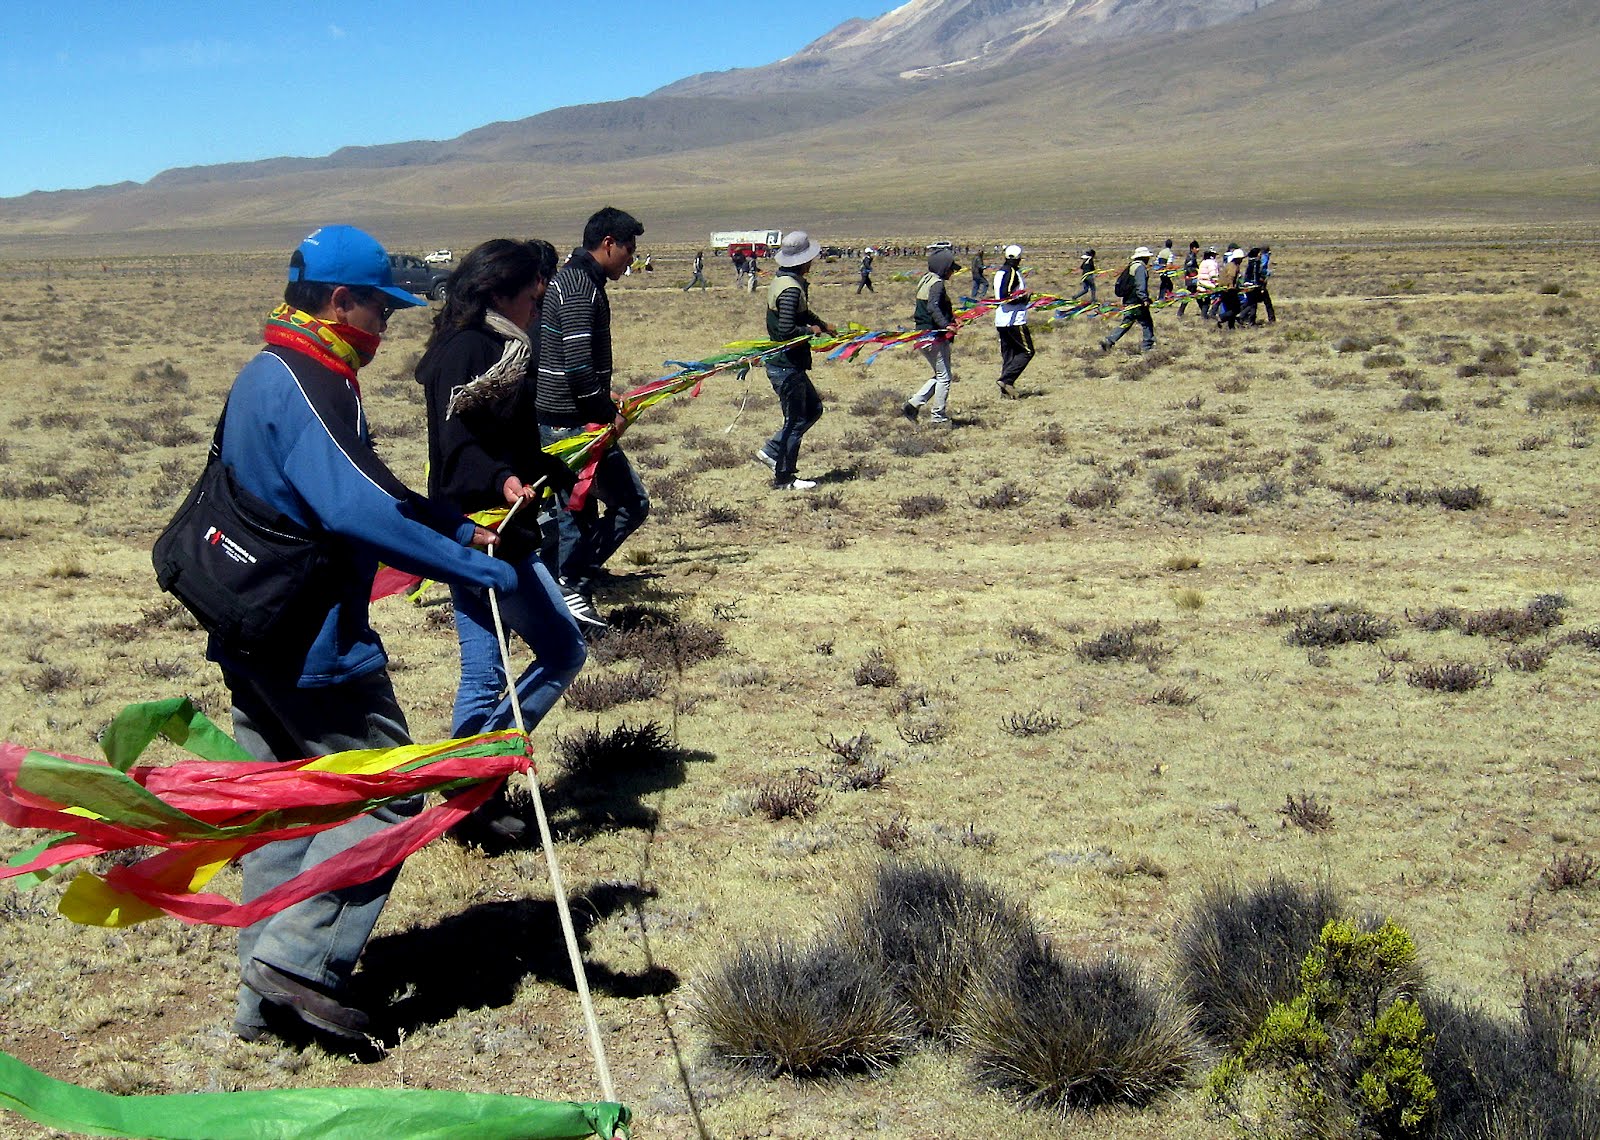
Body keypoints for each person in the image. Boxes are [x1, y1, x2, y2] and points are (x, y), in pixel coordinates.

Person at [216, 225, 522, 1047]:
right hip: (312, 642)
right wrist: (479, 570)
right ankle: (299, 963)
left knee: (292, 810)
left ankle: (264, 1011)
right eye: (379, 311)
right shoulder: (305, 382)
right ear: (341, 301)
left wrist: (453, 529)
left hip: (254, 628)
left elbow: (369, 486)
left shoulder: (274, 370)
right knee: (388, 795)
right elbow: (353, 509)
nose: (385, 328)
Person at [415, 237, 587, 755]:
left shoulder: (502, 345)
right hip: (486, 530)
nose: (538, 304)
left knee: (485, 673)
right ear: (499, 292)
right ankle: (478, 766)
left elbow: (502, 437)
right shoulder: (468, 349)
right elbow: (455, 445)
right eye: (532, 296)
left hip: (478, 525)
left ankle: (468, 798)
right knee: (563, 650)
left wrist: (548, 466)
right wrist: (499, 479)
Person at [536, 206, 650, 629]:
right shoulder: (581, 286)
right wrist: (606, 412)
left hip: (570, 414)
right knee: (599, 510)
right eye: (629, 248)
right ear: (608, 244)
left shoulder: (573, 280)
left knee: (580, 513)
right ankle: (570, 588)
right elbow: (579, 366)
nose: (631, 258)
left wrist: (605, 396)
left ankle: (569, 578)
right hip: (572, 423)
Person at [754, 231, 836, 491]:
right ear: (803, 261)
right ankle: (784, 477)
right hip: (785, 364)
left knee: (812, 410)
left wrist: (822, 324)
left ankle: (773, 451)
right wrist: (811, 332)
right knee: (796, 419)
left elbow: (803, 312)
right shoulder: (789, 289)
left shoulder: (787, 281)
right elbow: (787, 331)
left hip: (789, 363)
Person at [901, 249, 961, 424]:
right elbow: (933, 307)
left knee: (940, 374)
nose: (952, 272)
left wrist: (952, 319)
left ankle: (913, 405)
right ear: (943, 268)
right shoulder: (937, 284)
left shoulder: (926, 279)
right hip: (932, 336)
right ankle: (938, 417)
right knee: (944, 377)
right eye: (951, 268)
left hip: (924, 336)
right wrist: (946, 325)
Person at [993, 243, 1032, 399]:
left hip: (1002, 320)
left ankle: (1005, 391)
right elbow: (1006, 296)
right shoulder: (1012, 273)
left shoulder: (1000, 272)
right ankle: (1006, 380)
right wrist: (1025, 297)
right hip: (1014, 320)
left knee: (1009, 354)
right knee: (1027, 351)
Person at [1100, 246, 1156, 353]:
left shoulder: (1132, 266)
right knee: (1146, 323)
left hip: (1128, 300)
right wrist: (1145, 299)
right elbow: (1140, 286)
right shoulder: (1140, 268)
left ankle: (1109, 341)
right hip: (1137, 302)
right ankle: (1147, 347)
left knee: (1127, 322)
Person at [1216, 247, 1244, 329]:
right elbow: (1230, 277)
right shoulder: (1233, 266)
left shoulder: (1231, 265)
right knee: (1236, 309)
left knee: (1231, 309)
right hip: (1228, 290)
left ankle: (1231, 327)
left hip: (1226, 289)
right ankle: (1221, 317)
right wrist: (1231, 287)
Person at [1196, 247, 1220, 320]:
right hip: (1208, 284)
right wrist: (1217, 283)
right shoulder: (1211, 263)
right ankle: (1212, 313)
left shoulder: (1203, 262)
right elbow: (1213, 275)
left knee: (1207, 300)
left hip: (1201, 283)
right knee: (1219, 297)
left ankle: (1204, 316)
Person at [1178, 241, 1201, 317]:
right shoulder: (1191, 257)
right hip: (1192, 279)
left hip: (1192, 279)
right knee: (1191, 295)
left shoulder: (1193, 256)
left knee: (1196, 295)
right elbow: (1188, 268)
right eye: (1196, 248)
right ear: (1192, 249)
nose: (1198, 249)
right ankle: (1180, 312)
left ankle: (1203, 312)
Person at [1255, 244, 1277, 323]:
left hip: (1258, 281)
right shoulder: (1264, 257)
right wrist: (1268, 272)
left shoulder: (1259, 257)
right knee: (1266, 301)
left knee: (1253, 302)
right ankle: (1272, 319)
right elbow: (1262, 268)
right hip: (1261, 282)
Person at [1156, 239, 1177, 303]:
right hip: (1166, 271)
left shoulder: (1161, 252)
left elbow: (1157, 261)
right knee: (1168, 285)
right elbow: (1169, 264)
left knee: (1163, 284)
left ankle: (1161, 297)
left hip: (1160, 270)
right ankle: (1166, 298)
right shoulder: (1170, 253)